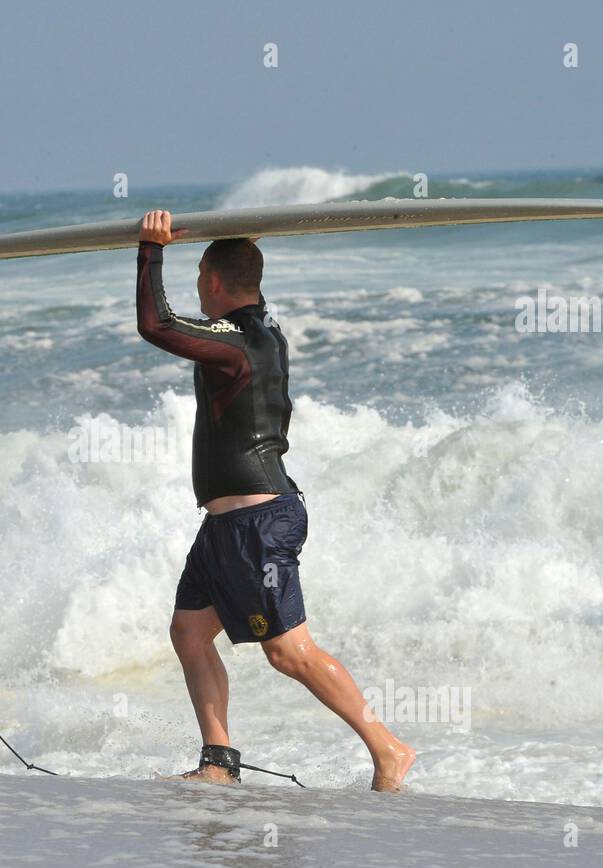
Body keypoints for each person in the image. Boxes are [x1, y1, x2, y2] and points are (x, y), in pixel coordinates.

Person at [136, 209, 415, 792]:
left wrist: (150, 250)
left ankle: (389, 750)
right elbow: (240, 288)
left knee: (290, 653)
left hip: (257, 522)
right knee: (189, 633)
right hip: (225, 527)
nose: (197, 290)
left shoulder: (240, 344)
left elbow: (157, 325)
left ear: (211, 283)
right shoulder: (260, 329)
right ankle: (219, 762)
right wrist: (240, 242)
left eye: (201, 278)